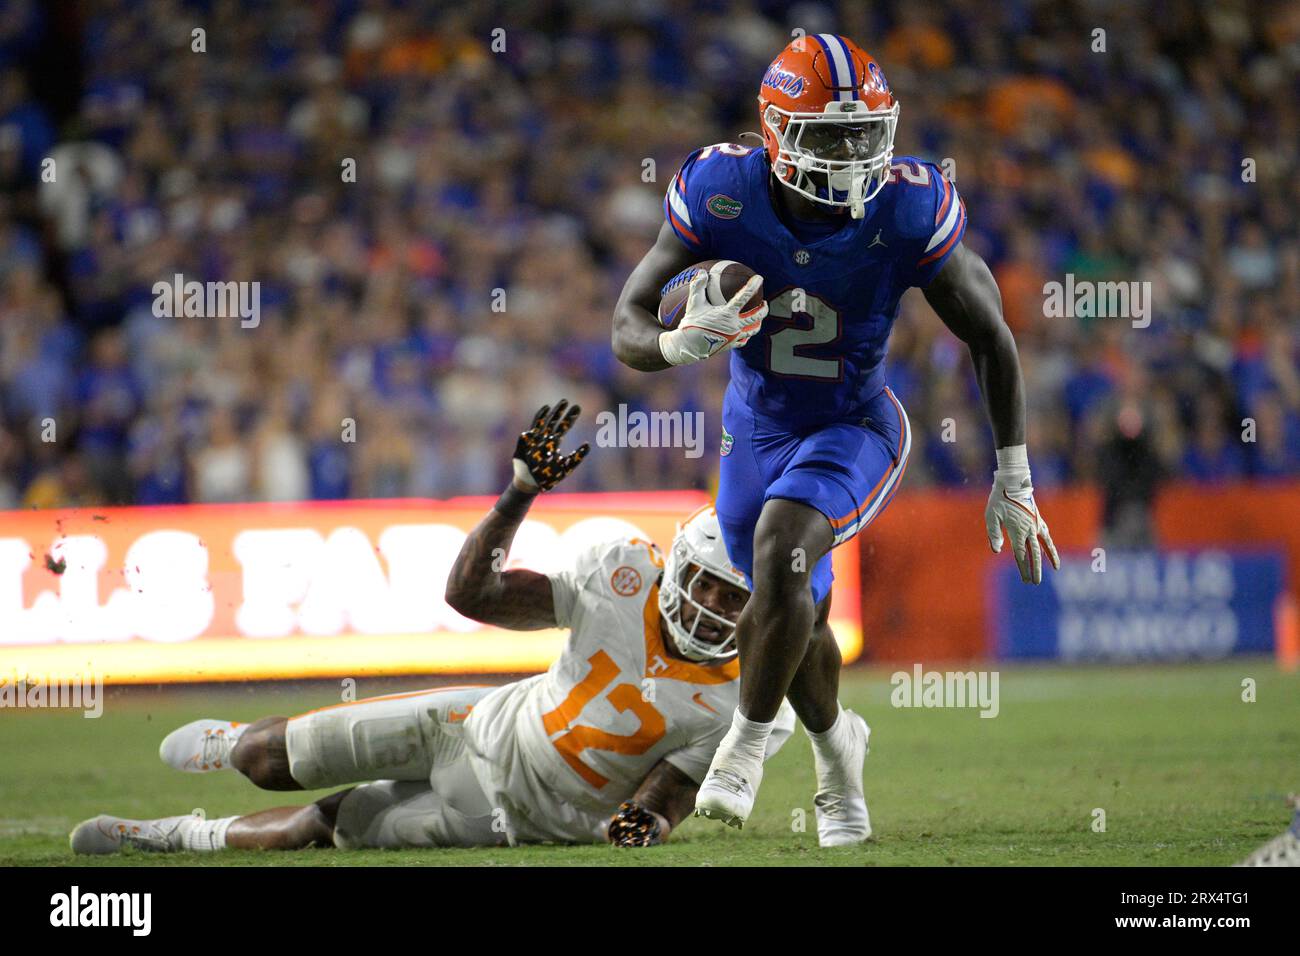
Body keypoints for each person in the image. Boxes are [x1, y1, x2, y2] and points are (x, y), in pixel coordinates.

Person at [611, 34, 1058, 842]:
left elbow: (990, 332)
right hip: (753, 430)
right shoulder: (719, 190)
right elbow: (628, 323)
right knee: (795, 608)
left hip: (855, 424)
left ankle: (743, 751)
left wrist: (1014, 474)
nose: (854, 155)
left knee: (785, 544)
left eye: (865, 133)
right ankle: (835, 751)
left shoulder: (909, 203)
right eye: (831, 135)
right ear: (778, 133)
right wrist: (681, 344)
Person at [70, 402, 794, 855]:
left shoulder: (747, 698)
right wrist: (518, 495)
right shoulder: (618, 575)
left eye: (735, 598)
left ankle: (170, 838)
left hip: (514, 819)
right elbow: (471, 595)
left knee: (321, 828)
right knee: (268, 757)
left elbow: (664, 797)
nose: (712, 607)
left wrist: (646, 826)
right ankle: (230, 744)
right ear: (672, 570)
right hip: (471, 724)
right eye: (703, 583)